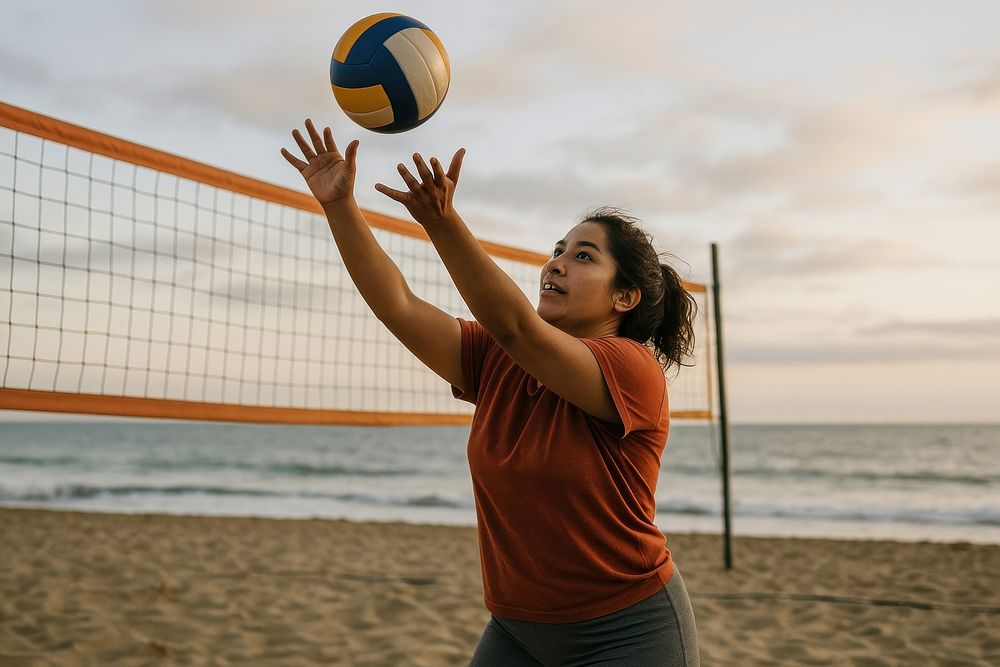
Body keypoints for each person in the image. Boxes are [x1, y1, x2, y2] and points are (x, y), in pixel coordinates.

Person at [282, 119, 701, 666]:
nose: (556, 263)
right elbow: (399, 306)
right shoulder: (500, 361)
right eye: (558, 249)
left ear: (624, 298)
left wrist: (443, 222)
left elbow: (516, 327)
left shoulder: (630, 368)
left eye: (584, 256)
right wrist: (339, 205)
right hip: (519, 628)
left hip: (626, 630)